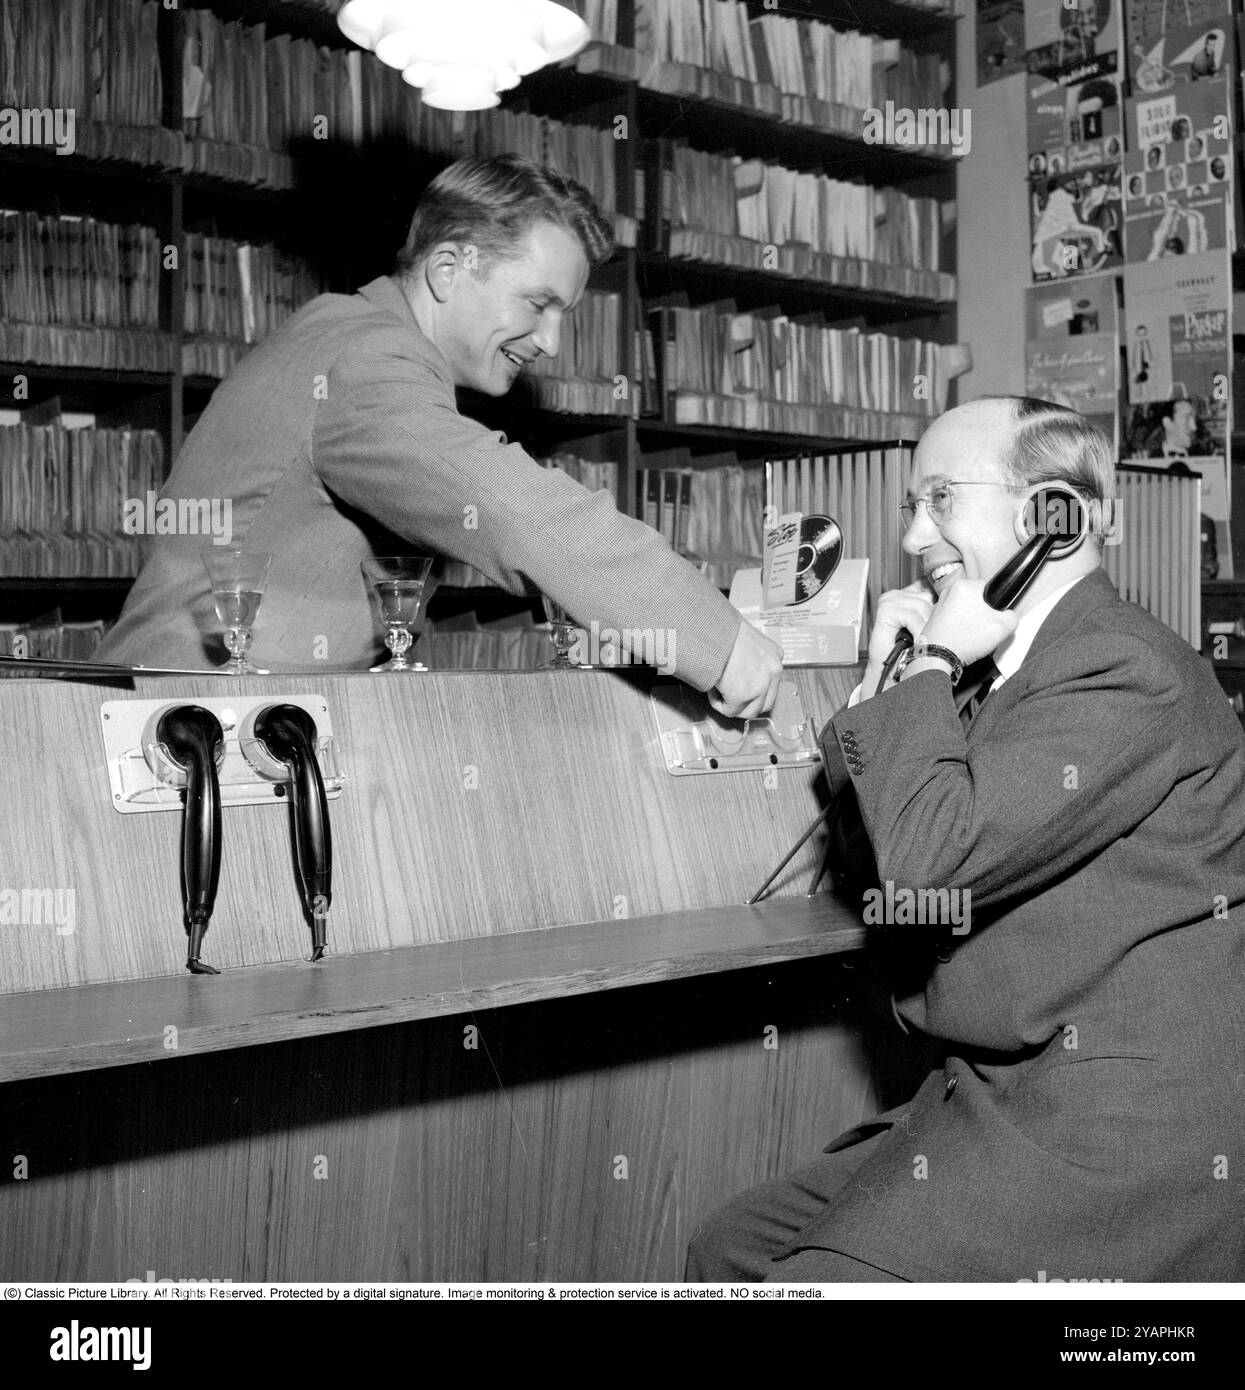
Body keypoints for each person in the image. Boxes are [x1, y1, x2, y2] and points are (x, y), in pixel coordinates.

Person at [686, 396, 1245, 1281]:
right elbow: (872, 854)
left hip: (1115, 1127)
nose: (914, 536)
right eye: (914, 503)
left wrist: (937, 663)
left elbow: (928, 858)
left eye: (940, 498)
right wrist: (888, 676)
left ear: (1052, 517)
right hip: (996, 1090)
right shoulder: (1014, 665)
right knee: (731, 1245)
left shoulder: (1123, 669)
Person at [96, 155, 783, 718]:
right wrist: (716, 639)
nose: (550, 341)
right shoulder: (366, 358)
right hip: (177, 734)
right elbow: (514, 509)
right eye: (539, 304)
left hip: (229, 720)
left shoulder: (351, 332)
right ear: (448, 269)